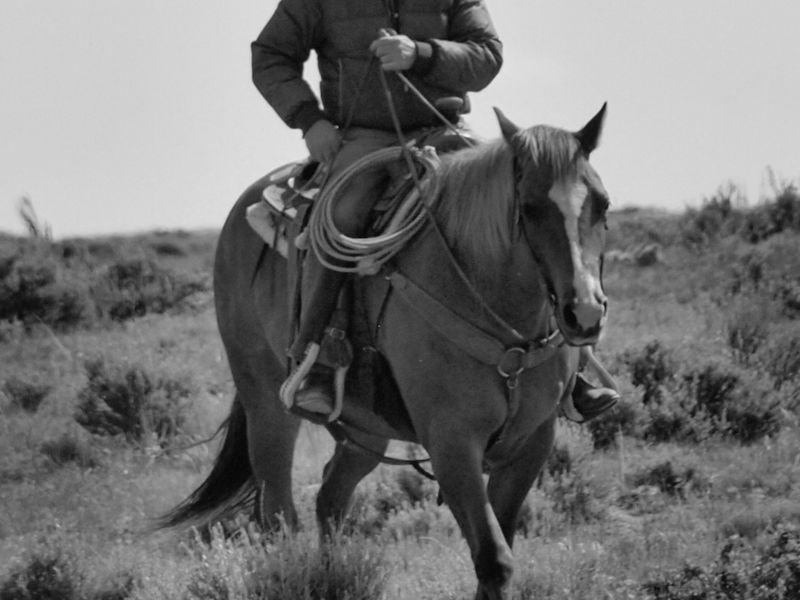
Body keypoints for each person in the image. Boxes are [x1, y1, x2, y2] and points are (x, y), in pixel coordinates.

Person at [251, 0, 618, 422]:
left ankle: (570, 368)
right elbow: (270, 55)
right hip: (364, 136)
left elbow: (486, 56)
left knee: (519, 208)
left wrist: (422, 54)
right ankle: (315, 358)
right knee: (340, 220)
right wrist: (309, 120)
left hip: (445, 132)